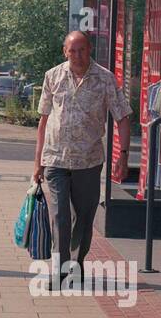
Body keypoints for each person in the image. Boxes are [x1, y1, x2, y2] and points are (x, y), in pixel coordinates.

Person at [32, 30, 132, 287]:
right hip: (55, 158)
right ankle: (60, 270)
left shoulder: (105, 78)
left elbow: (122, 117)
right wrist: (37, 163)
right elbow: (43, 121)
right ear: (65, 51)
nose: (77, 55)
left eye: (82, 50)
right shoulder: (52, 76)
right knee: (60, 216)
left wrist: (122, 155)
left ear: (90, 50)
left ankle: (76, 265)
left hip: (88, 160)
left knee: (84, 218)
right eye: (72, 50)